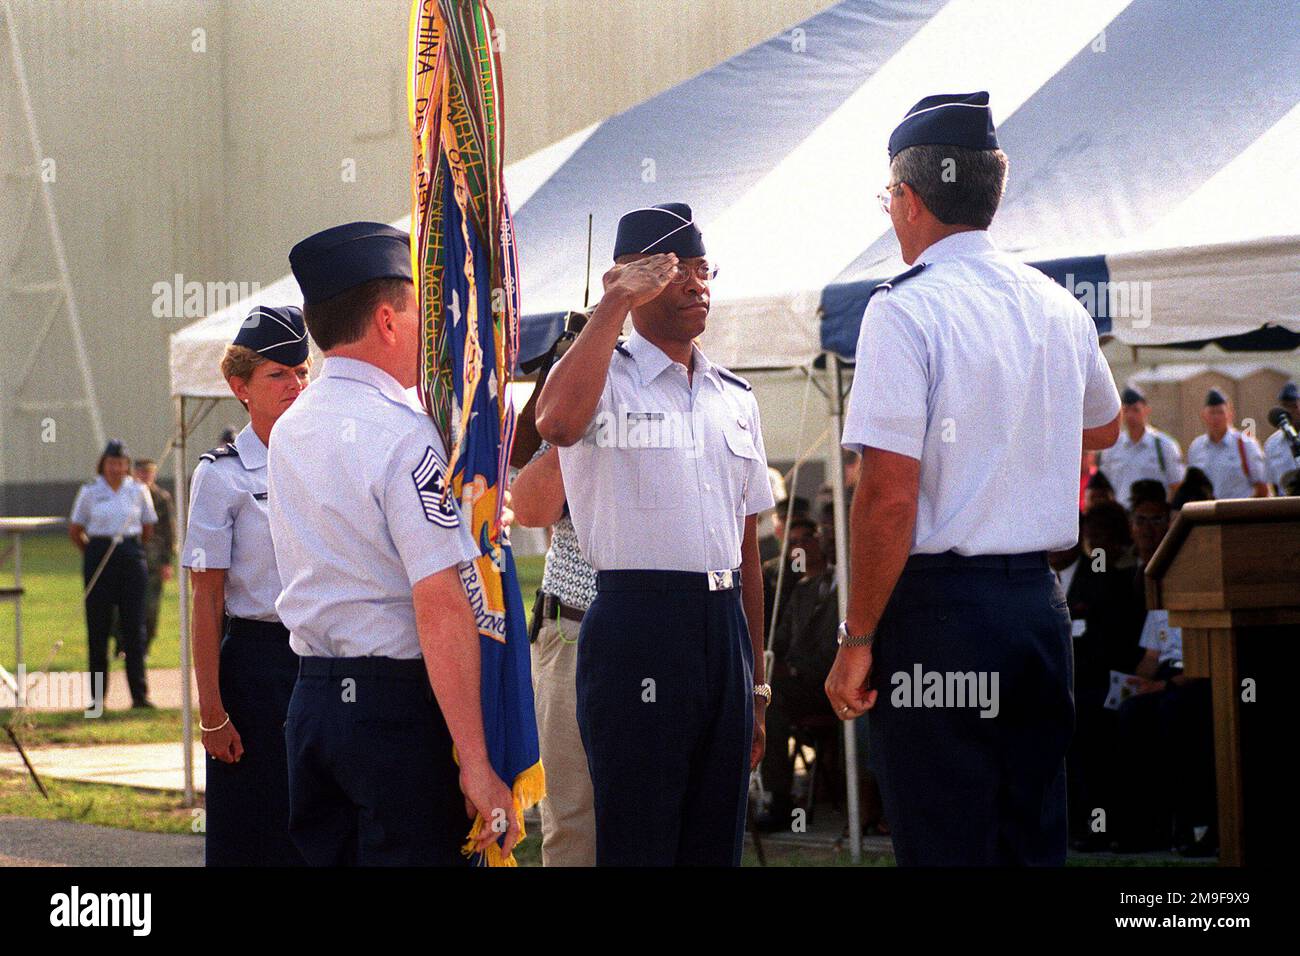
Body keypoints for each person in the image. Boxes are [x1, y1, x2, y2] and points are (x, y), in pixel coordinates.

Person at [824, 91, 1122, 866]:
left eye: (889, 197)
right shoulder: (1058, 306)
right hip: (1034, 609)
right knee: (1031, 840)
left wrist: (856, 638)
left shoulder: (904, 310)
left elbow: (886, 496)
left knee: (946, 840)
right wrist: (1021, 421)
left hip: (942, 616)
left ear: (909, 199)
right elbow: (1106, 425)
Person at [268, 221, 518, 865]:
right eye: (417, 315)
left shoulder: (291, 426)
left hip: (313, 700)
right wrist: (477, 762)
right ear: (385, 321)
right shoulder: (404, 434)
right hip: (393, 711)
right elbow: (438, 602)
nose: (428, 334)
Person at [536, 202, 774, 866]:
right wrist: (610, 306)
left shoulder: (734, 396)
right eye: (675, 272)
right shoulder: (599, 378)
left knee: (712, 841)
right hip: (638, 627)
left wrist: (757, 683)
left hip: (722, 628)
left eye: (703, 269)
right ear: (632, 282)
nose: (698, 284)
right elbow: (553, 424)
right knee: (638, 837)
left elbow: (747, 548)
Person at [182, 304, 311, 866]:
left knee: (320, 825)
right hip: (258, 665)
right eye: (278, 374)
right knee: (254, 830)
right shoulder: (222, 475)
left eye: (302, 371)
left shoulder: (327, 459)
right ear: (240, 386)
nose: (296, 384)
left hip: (325, 656)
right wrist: (211, 711)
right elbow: (206, 600)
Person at [511, 440, 598, 866]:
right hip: (574, 627)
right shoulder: (575, 386)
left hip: (664, 628)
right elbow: (529, 509)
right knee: (571, 816)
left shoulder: (704, 395)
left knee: (655, 814)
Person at [757, 517, 839, 829]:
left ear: (822, 540)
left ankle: (780, 801)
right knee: (760, 691)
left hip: (828, 685)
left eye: (807, 538)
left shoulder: (840, 584)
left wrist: (791, 669)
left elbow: (832, 650)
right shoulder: (798, 591)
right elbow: (778, 641)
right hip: (796, 684)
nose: (800, 546)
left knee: (771, 701)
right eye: (793, 542)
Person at [68, 440, 156, 711]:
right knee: (98, 630)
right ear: (103, 465)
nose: (116, 469)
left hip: (129, 556)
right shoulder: (90, 491)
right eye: (111, 463)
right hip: (99, 555)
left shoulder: (138, 490)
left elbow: (147, 527)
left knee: (134, 630)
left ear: (127, 465)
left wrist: (129, 552)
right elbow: (75, 529)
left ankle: (139, 697)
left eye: (121, 464)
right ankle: (97, 700)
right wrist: (94, 553)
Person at [1095, 386, 1185, 506]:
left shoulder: (1164, 446)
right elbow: (1104, 486)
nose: (1130, 415)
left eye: (1135, 410)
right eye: (1126, 410)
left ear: (1147, 410)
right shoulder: (1112, 447)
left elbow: (1177, 485)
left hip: (1153, 516)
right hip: (1122, 516)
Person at [1186, 388, 1269, 499]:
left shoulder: (1245, 444)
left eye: (1220, 412)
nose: (1216, 418)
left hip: (1239, 512)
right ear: (1204, 416)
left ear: (1230, 415)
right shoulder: (1196, 447)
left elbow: (1262, 488)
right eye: (1212, 413)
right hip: (1207, 513)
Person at [132, 459, 174, 655]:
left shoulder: (161, 498)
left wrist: (167, 562)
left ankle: (145, 645)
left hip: (154, 561)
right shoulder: (128, 495)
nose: (144, 476)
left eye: (148, 473)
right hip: (130, 558)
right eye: (141, 472)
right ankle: (123, 644)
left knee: (150, 607)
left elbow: (169, 531)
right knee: (124, 607)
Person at [1264, 381, 1299, 493]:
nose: (1290, 411)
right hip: (1284, 506)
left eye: (1294, 406)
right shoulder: (1272, 444)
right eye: (1285, 406)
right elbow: (1272, 484)